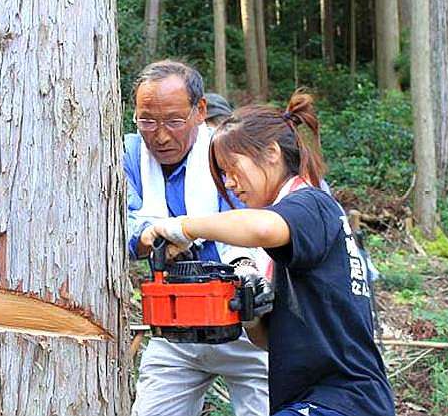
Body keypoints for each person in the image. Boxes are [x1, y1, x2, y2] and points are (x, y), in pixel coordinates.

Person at [141, 91, 395, 416]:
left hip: (341, 399)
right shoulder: (292, 231)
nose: (230, 184)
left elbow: (261, 228)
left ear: (272, 153)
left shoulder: (310, 204)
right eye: (223, 176)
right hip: (311, 399)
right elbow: (269, 342)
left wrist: (185, 227)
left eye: (233, 169)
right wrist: (252, 316)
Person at [124, 60, 269, 416]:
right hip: (176, 323)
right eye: (147, 121)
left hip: (244, 319)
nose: (160, 135)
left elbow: (250, 223)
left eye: (174, 121)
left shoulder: (228, 155)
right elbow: (118, 225)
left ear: (199, 110)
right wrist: (149, 237)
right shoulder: (128, 154)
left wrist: (186, 229)